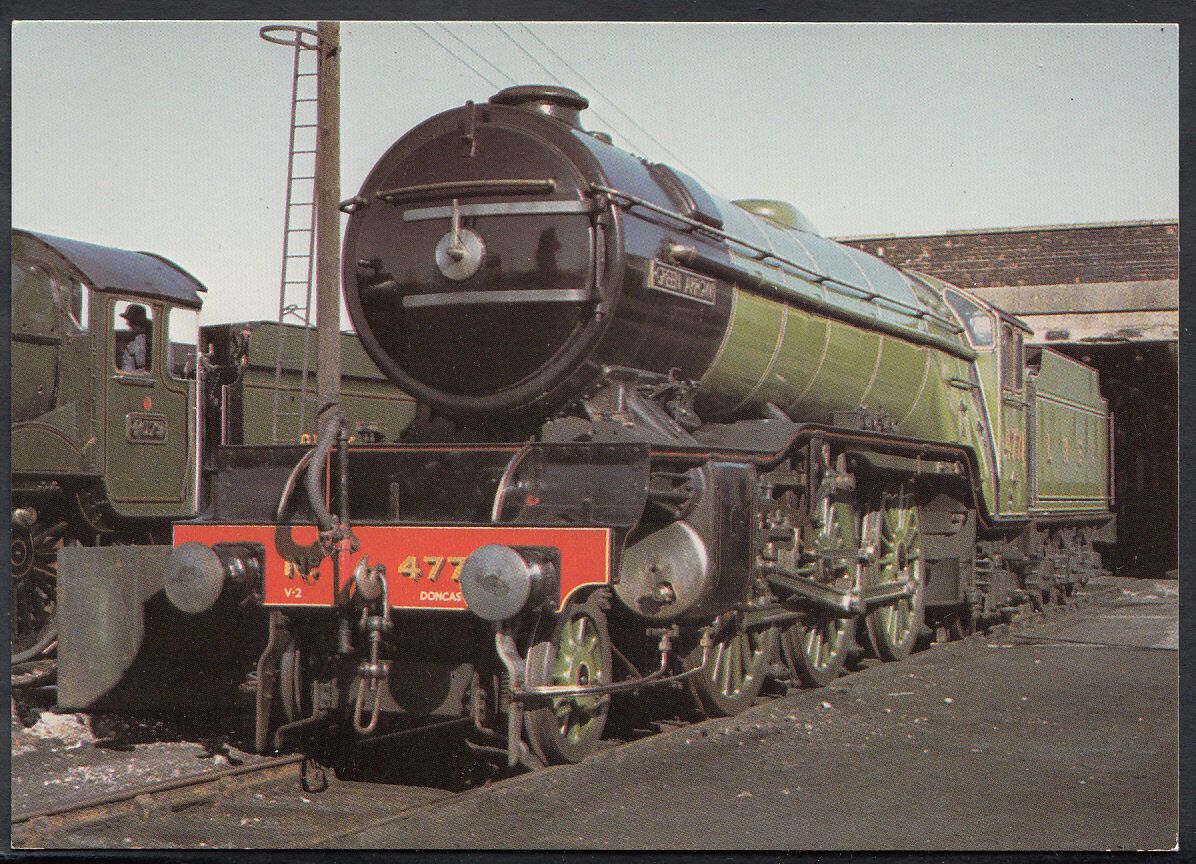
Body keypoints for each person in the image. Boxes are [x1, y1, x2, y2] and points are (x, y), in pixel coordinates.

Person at [119, 304, 151, 372]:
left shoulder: (159, 340)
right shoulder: (131, 343)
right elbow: (127, 365)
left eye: (130, 321)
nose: (127, 323)